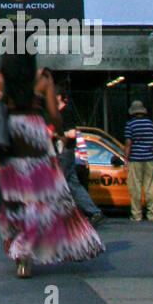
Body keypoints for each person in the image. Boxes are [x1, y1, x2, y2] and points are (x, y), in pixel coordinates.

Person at [0, 54, 104, 278]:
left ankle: (20, 251)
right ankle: (29, 247)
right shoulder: (43, 79)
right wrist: (60, 132)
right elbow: (54, 113)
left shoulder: (0, 76)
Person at [56, 87, 104, 227]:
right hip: (66, 153)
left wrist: (56, 135)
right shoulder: (57, 113)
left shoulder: (66, 112)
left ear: (59, 97)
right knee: (73, 184)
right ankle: (94, 212)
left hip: (65, 152)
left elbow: (72, 133)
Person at [124, 99, 153, 222]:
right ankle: (152, 214)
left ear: (133, 112)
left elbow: (128, 144)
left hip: (135, 159)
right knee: (150, 187)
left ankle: (137, 215)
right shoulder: (151, 124)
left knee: (135, 188)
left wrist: (126, 160)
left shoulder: (130, 125)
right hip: (150, 159)